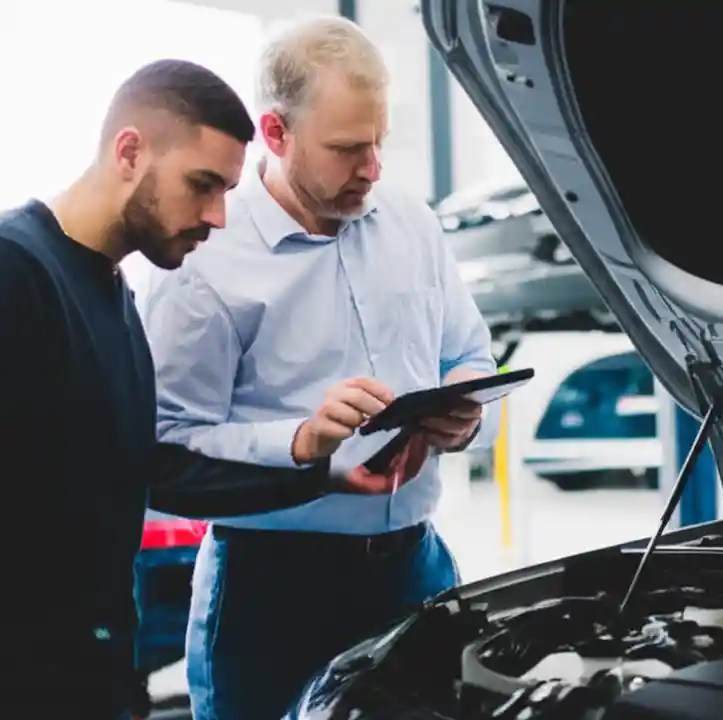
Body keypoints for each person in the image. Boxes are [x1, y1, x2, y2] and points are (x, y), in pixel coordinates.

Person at [0, 59, 338, 720]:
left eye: (226, 191)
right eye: (202, 185)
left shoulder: (115, 300)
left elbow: (147, 472)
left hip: (93, 691)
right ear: (130, 151)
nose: (218, 216)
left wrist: (323, 473)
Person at [140, 16, 499, 719]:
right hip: (271, 592)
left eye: (377, 143)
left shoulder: (411, 222)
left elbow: (468, 352)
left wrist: (462, 406)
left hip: (416, 567)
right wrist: (300, 441)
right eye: (345, 149)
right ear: (275, 134)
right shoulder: (205, 262)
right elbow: (167, 444)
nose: (371, 168)